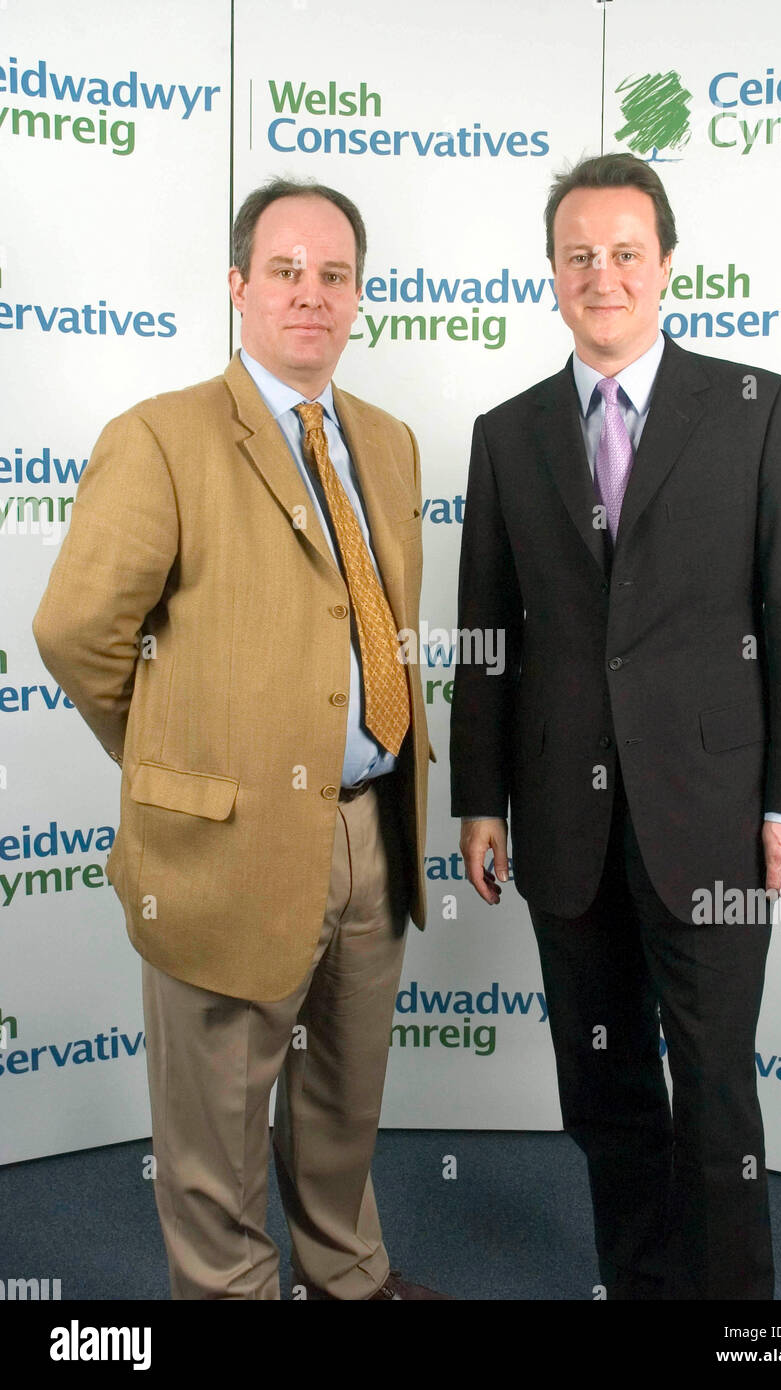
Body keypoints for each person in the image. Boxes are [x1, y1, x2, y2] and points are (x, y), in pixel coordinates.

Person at [33, 176, 444, 1301]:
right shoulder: (160, 438)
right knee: (214, 1128)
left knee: (342, 1101)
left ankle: (349, 1276)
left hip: (371, 827)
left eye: (334, 275)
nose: (310, 295)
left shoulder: (391, 444)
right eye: (285, 271)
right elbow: (77, 632)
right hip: (225, 845)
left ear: (357, 296)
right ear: (237, 286)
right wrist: (181, 763)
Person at [449, 153, 781, 1300]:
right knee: (604, 1088)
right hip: (565, 828)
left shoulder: (755, 407)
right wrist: (480, 797)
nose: (602, 274)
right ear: (551, 274)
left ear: (666, 264)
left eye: (625, 252)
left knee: (716, 1089)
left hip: (714, 821)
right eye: (580, 255)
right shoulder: (506, 431)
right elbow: (485, 633)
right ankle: (640, 1284)